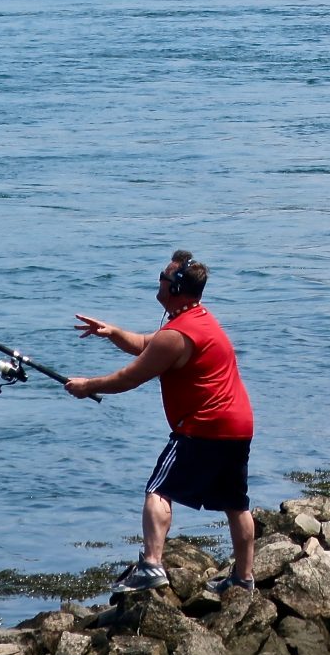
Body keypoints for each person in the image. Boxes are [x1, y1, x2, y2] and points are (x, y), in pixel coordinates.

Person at [67, 249, 256, 594]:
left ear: (176, 288)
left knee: (159, 490)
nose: (159, 281)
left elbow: (129, 377)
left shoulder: (176, 334)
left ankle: (152, 565)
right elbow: (143, 344)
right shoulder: (197, 320)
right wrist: (112, 332)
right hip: (237, 426)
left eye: (164, 277)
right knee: (235, 503)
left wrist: (87, 386)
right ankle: (243, 579)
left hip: (204, 426)